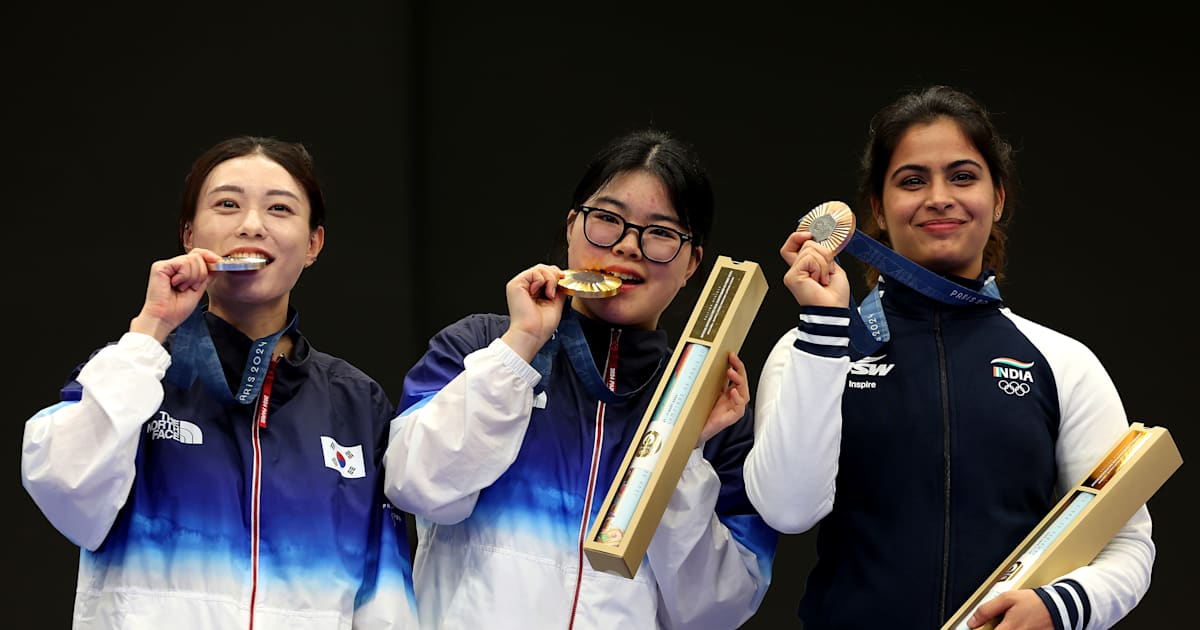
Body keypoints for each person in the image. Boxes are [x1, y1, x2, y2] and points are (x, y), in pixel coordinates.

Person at [744, 85, 1154, 629]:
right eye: (912, 180)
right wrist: (824, 330)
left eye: (963, 176)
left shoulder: (1064, 363)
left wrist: (1060, 609)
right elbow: (788, 510)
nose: (939, 196)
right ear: (877, 210)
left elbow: (1126, 542)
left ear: (998, 198)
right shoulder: (811, 348)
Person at [383, 129, 777, 629]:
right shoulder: (480, 346)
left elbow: (717, 609)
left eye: (660, 232)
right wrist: (518, 348)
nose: (629, 247)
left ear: (692, 262)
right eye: (608, 220)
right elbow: (416, 486)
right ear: (572, 226)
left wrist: (680, 452)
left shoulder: (709, 401)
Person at [21, 136, 418, 629]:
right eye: (227, 205)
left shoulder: (356, 401)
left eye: (279, 208)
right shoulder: (134, 371)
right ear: (189, 234)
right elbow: (64, 488)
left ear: (314, 243)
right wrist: (150, 328)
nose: (252, 225)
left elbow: (384, 598)